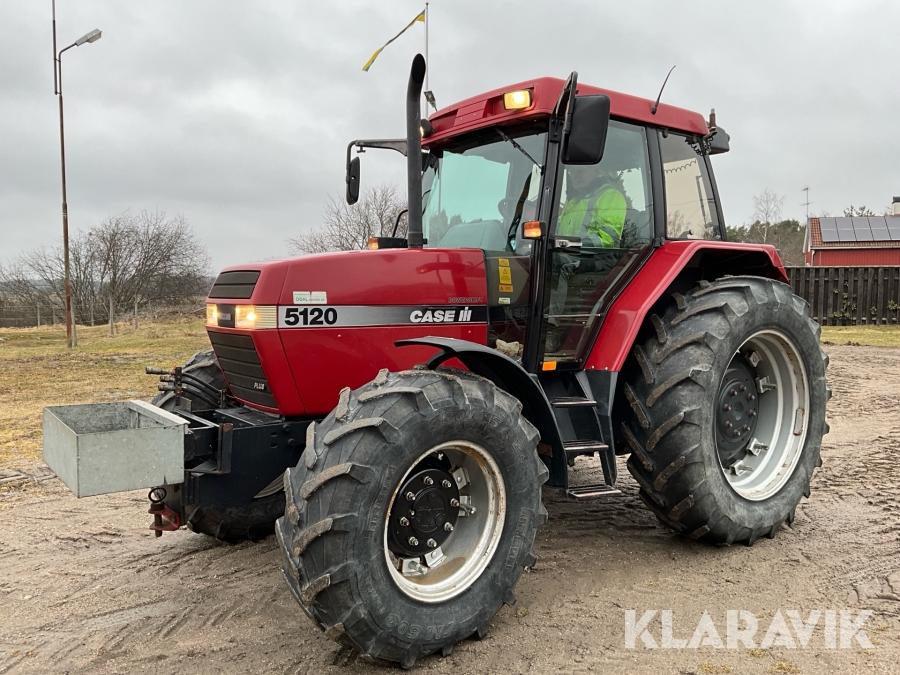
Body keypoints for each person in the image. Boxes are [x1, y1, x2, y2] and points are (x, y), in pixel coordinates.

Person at [546, 165, 627, 352]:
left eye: (581, 171)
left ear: (598, 171)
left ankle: (553, 328)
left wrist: (569, 246)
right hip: (573, 253)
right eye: (573, 172)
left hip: (601, 258)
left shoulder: (610, 196)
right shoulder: (573, 201)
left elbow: (608, 239)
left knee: (560, 265)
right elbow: (558, 233)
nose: (576, 176)